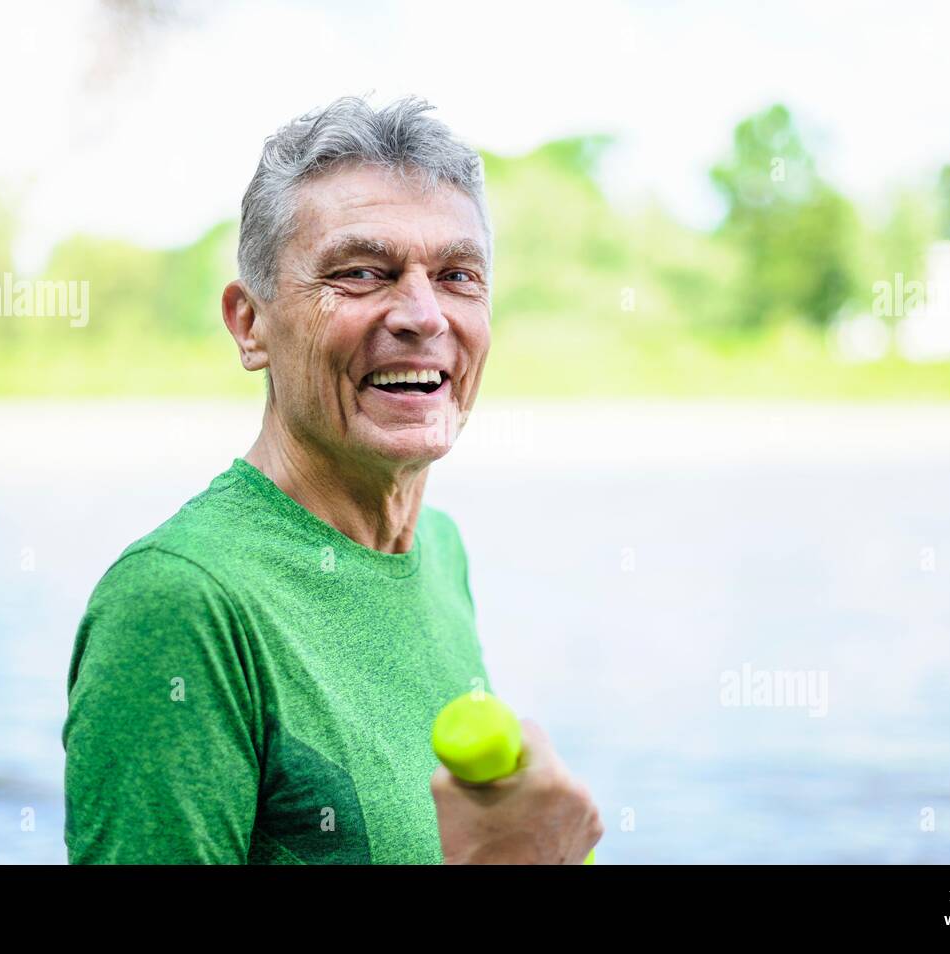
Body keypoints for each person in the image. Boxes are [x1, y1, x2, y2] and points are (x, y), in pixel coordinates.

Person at [62, 94, 602, 864]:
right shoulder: (179, 602)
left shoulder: (438, 548)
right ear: (250, 325)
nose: (423, 315)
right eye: (361, 273)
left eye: (457, 275)